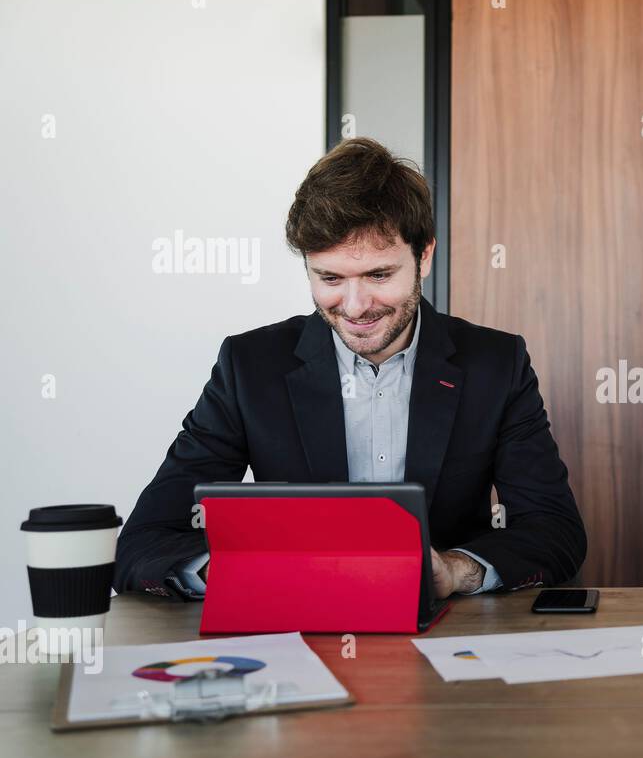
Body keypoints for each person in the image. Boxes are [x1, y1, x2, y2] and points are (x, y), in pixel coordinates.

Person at [114, 138, 586, 601]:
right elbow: (143, 543)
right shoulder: (249, 366)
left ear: (423, 256)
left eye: (379, 276)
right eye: (331, 279)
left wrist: (456, 571)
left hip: (444, 640)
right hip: (295, 641)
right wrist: (242, 570)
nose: (356, 307)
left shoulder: (496, 364)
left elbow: (555, 530)